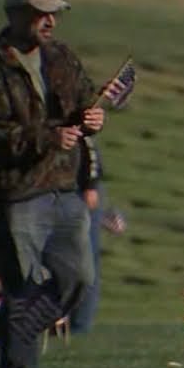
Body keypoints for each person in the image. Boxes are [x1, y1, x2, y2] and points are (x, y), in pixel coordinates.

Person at [0, 0, 104, 368]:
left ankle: (8, 325)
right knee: (23, 283)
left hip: (65, 187)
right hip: (17, 193)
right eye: (42, 13)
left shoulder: (61, 55)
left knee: (77, 278)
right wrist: (48, 137)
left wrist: (92, 118)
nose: (51, 20)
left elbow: (85, 98)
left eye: (54, 12)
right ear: (16, 15)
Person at [70, 136, 104, 334]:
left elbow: (87, 139)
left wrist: (90, 183)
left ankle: (80, 322)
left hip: (80, 184)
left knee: (86, 258)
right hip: (53, 185)